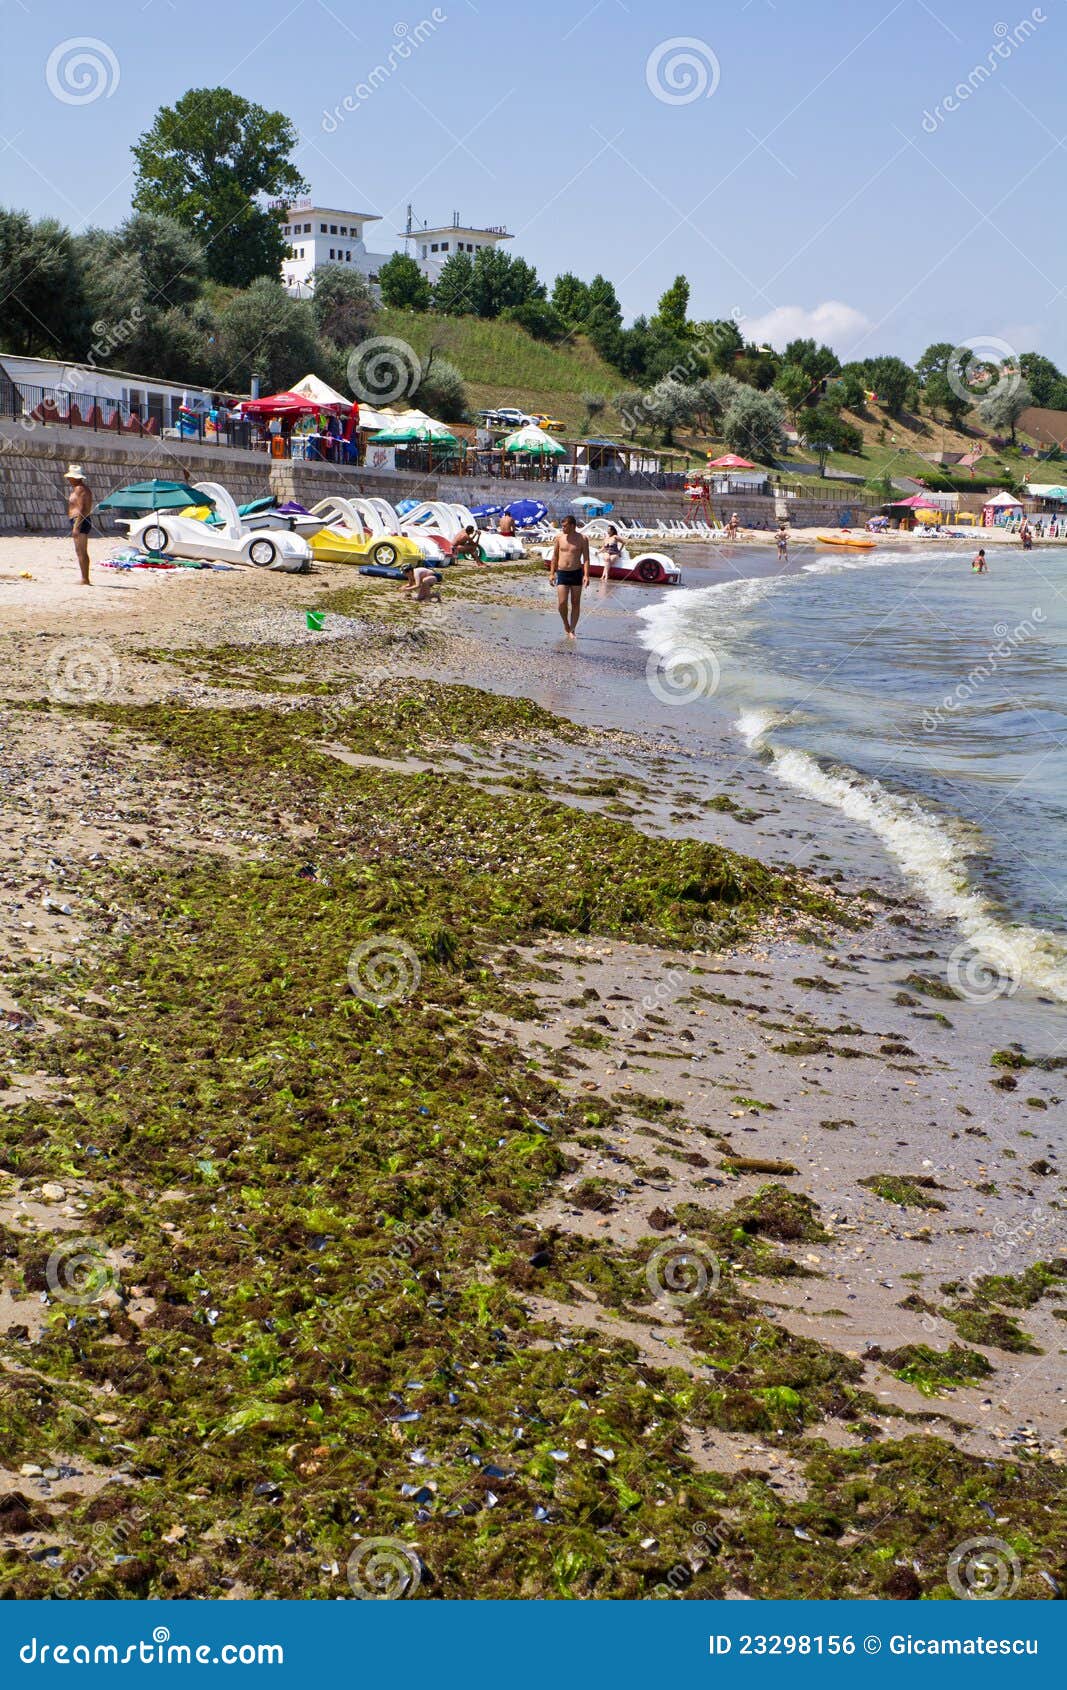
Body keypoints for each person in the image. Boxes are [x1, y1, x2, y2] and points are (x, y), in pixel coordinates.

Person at [549, 514, 590, 639]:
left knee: (575, 602)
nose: (563, 528)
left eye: (565, 526)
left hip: (576, 573)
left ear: (573, 526)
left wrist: (586, 575)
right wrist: (552, 573)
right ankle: (566, 624)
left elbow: (587, 559)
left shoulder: (582, 539)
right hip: (562, 573)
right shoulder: (559, 538)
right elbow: (555, 556)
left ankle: (572, 629)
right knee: (562, 603)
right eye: (562, 526)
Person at [64, 464, 92, 585]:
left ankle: (85, 579)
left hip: (79, 520)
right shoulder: (80, 488)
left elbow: (82, 508)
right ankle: (84, 578)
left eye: (70, 477)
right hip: (80, 520)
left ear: (76, 478)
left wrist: (76, 526)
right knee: (81, 550)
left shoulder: (80, 489)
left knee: (81, 551)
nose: (68, 479)